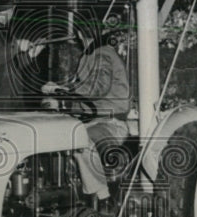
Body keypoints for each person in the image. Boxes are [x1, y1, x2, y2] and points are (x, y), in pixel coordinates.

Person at [42, 24, 131, 202]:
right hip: (95, 121)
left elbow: (98, 88)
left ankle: (104, 197)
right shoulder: (92, 55)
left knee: (80, 142)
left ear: (81, 35)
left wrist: (60, 92)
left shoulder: (102, 54)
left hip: (110, 123)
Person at [0, 0, 44, 111]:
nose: (14, 11)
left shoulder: (4, 31)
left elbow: (10, 66)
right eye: (12, 8)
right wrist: (17, 46)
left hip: (10, 101)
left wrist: (30, 55)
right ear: (1, 10)